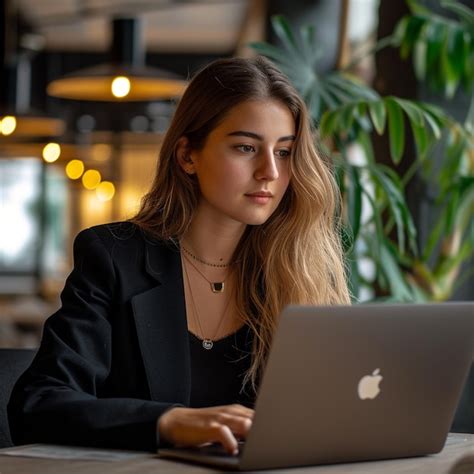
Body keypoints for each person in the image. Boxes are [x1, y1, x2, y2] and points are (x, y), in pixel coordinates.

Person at [8, 56, 350, 454]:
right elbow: (38, 405)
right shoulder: (114, 257)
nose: (270, 172)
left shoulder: (299, 271)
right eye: (245, 147)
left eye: (285, 152)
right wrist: (166, 422)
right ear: (188, 155)